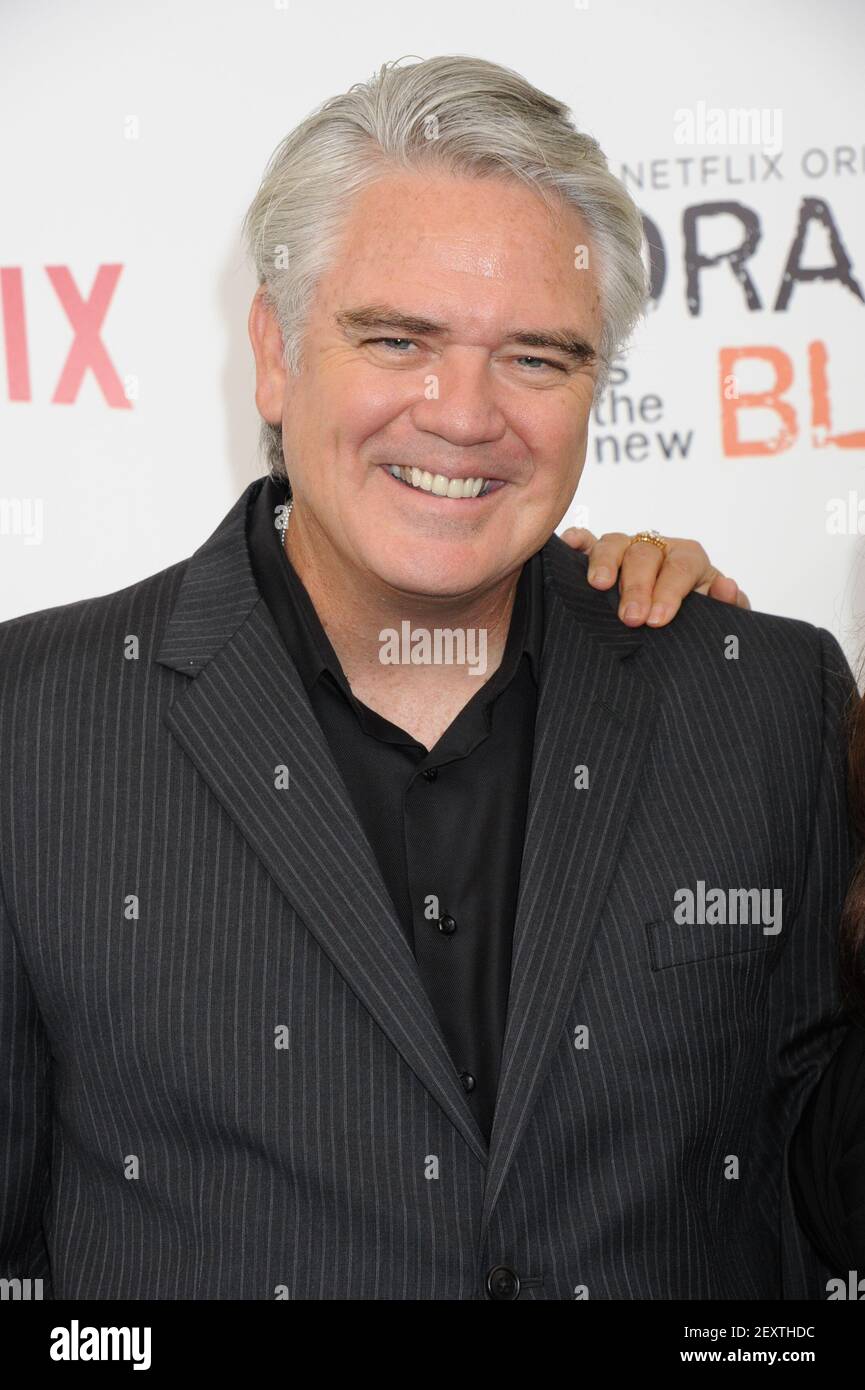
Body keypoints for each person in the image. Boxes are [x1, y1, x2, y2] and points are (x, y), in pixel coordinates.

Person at [0, 53, 854, 1301]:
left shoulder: (762, 697)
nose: (462, 415)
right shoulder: (35, 722)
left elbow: (821, 1207)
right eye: (398, 338)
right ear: (276, 356)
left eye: (537, 360)